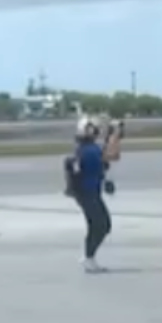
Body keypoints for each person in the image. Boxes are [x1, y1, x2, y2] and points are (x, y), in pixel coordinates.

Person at [66, 116, 113, 272]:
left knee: (100, 225)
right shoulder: (85, 150)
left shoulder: (90, 148)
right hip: (87, 193)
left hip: (92, 192)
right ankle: (88, 257)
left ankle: (89, 256)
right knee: (101, 225)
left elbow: (101, 165)